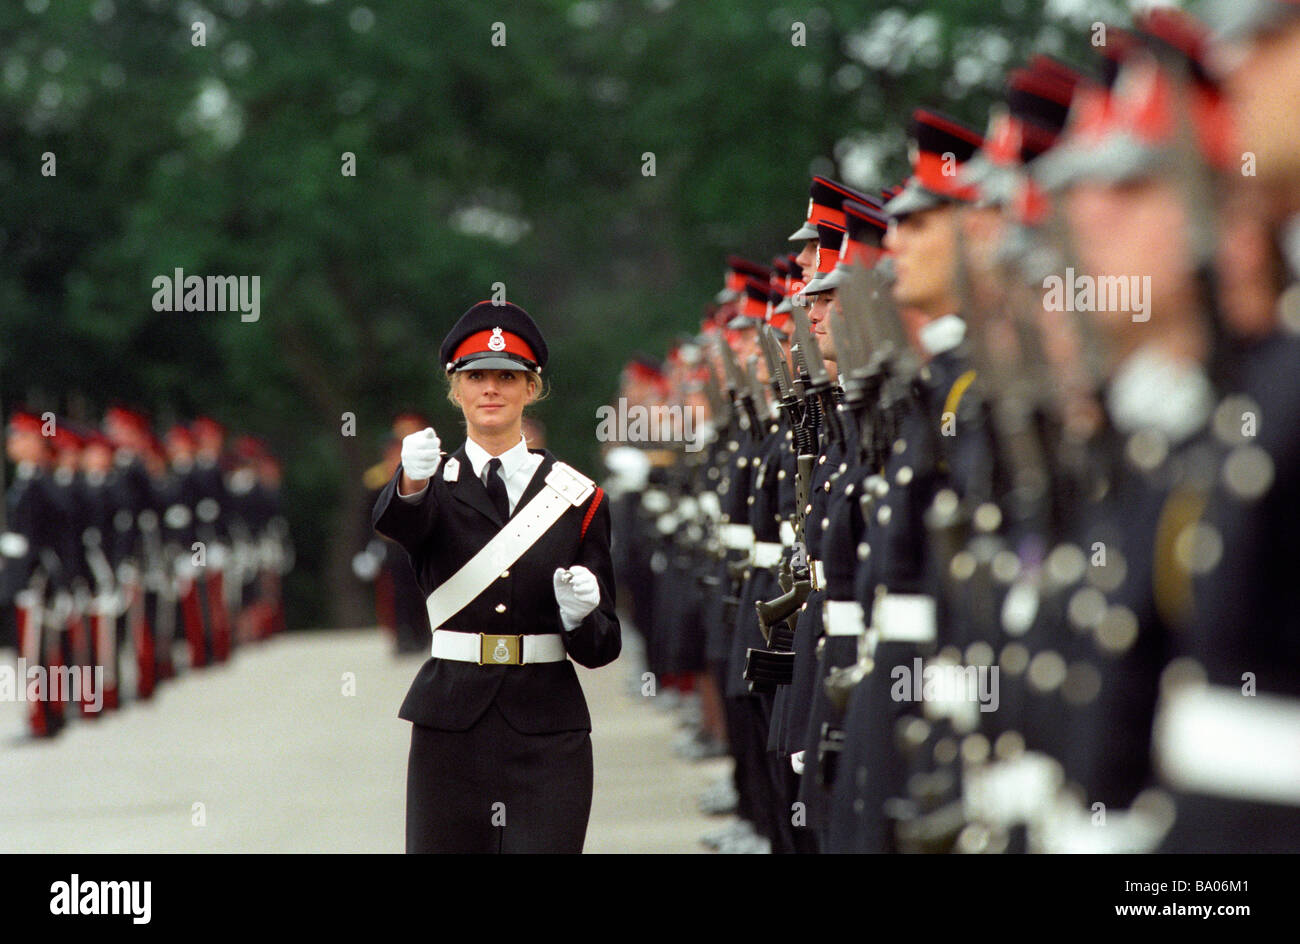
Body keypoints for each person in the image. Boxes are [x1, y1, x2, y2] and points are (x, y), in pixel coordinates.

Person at [372, 300, 621, 854]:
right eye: (476, 376)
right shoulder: (429, 484)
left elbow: (604, 647)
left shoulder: (576, 496)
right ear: (454, 389)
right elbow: (398, 524)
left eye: (508, 377)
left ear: (531, 388)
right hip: (451, 726)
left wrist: (582, 617)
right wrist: (409, 480)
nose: (491, 389)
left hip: (547, 725)